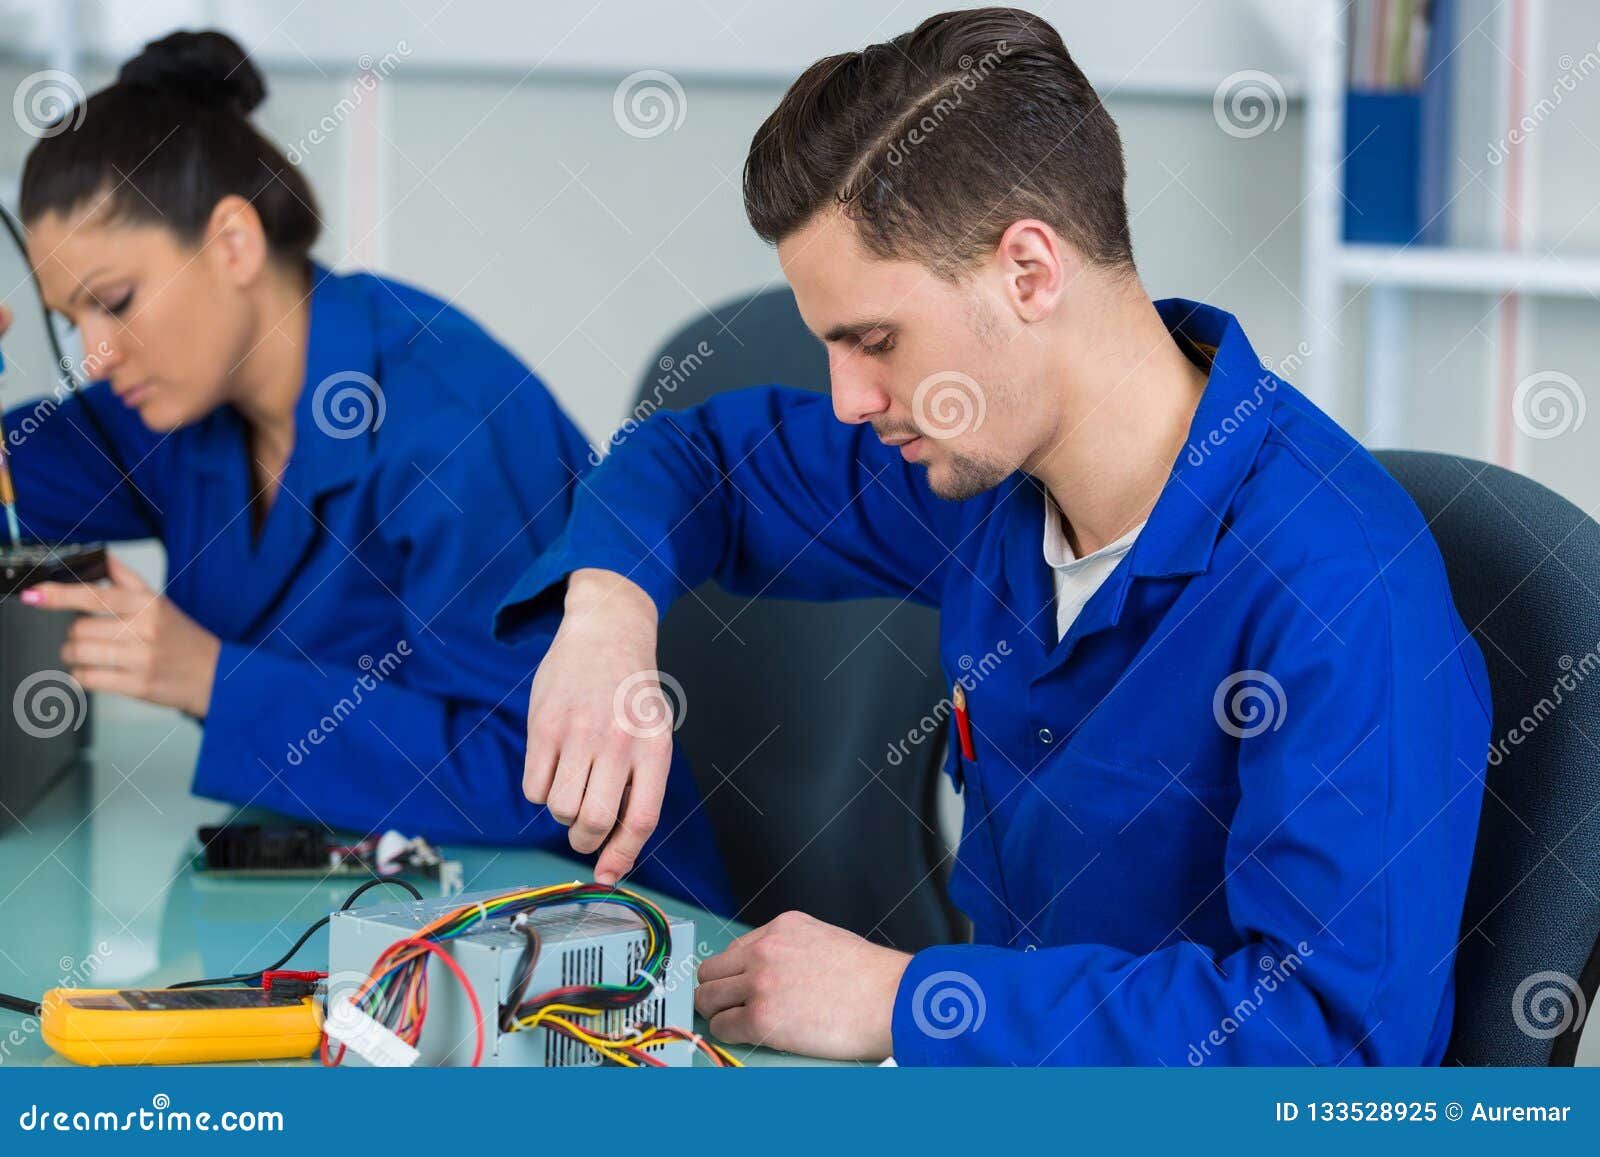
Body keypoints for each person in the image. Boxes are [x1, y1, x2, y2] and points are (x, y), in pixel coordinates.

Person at [493, 8, 1491, 1063]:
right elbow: (696, 462)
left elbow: (1325, 1045)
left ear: (1028, 270)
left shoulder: (1336, 588)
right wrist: (605, 613)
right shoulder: (979, 470)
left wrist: (910, 1000)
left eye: (873, 340)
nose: (845, 397)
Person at [0, 30, 731, 913]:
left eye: (113, 302)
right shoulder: (170, 407)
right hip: (353, 911)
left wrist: (206, 677)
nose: (96, 353)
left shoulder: (450, 423)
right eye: (70, 318)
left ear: (232, 241)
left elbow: (535, 776)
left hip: (585, 928)